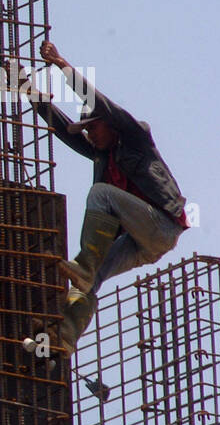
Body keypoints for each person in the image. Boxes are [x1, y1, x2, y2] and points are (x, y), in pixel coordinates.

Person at [15, 41, 190, 354]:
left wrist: (60, 64)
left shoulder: (134, 139)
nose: (91, 135)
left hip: (162, 226)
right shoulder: (102, 155)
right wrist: (27, 89)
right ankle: (66, 337)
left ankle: (84, 266)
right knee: (90, 279)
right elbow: (60, 126)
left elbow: (100, 102)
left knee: (100, 194)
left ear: (109, 125)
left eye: (94, 128)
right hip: (142, 243)